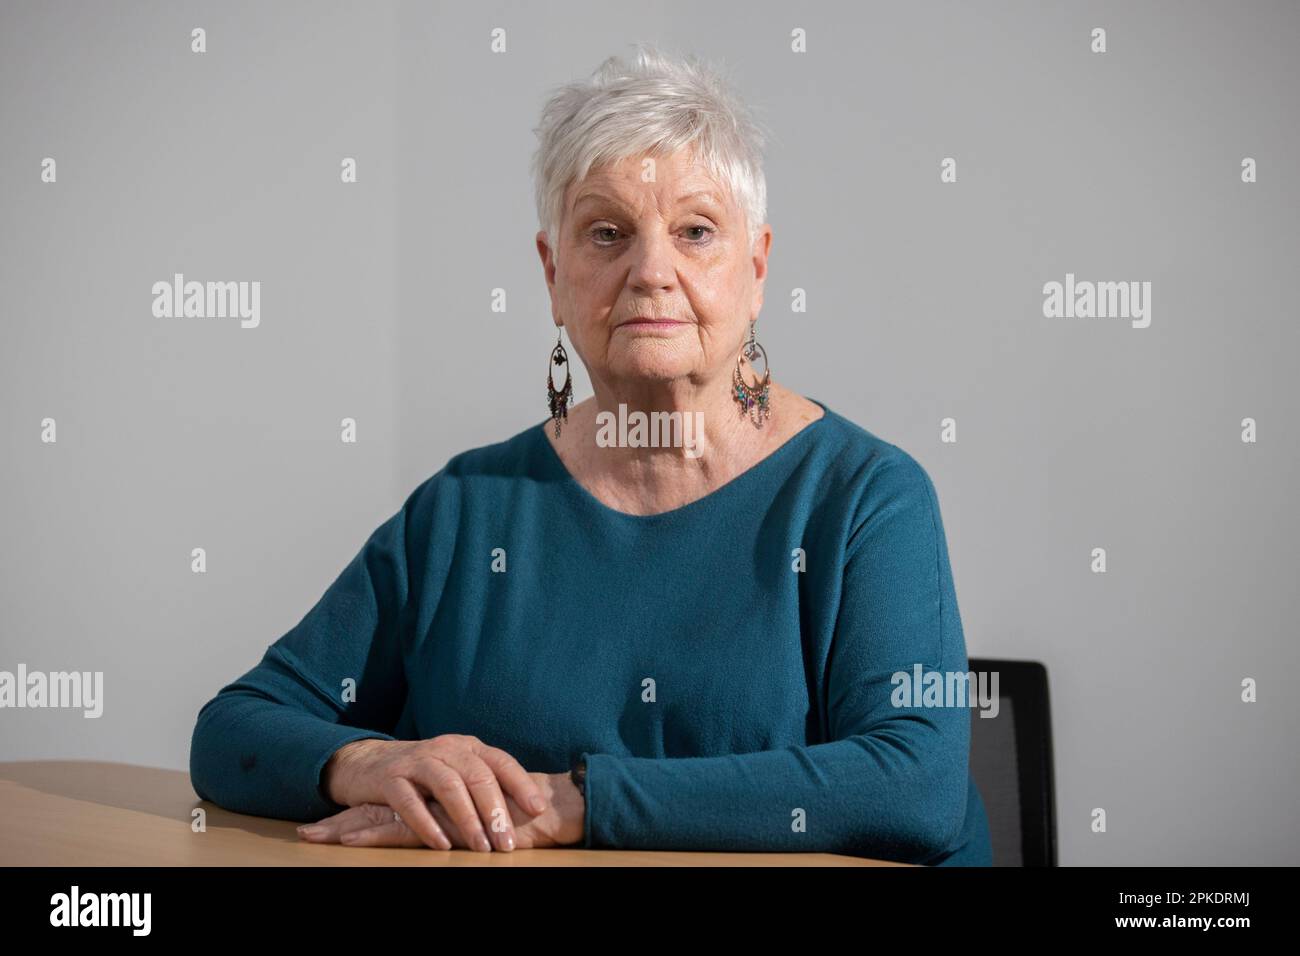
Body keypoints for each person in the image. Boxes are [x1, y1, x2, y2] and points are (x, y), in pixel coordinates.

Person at [189, 43, 993, 865]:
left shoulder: (868, 497)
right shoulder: (467, 509)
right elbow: (233, 729)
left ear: (756, 270)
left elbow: (916, 785)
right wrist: (367, 762)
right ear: (552, 274)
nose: (651, 271)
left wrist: (573, 800)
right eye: (606, 232)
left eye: (696, 231)